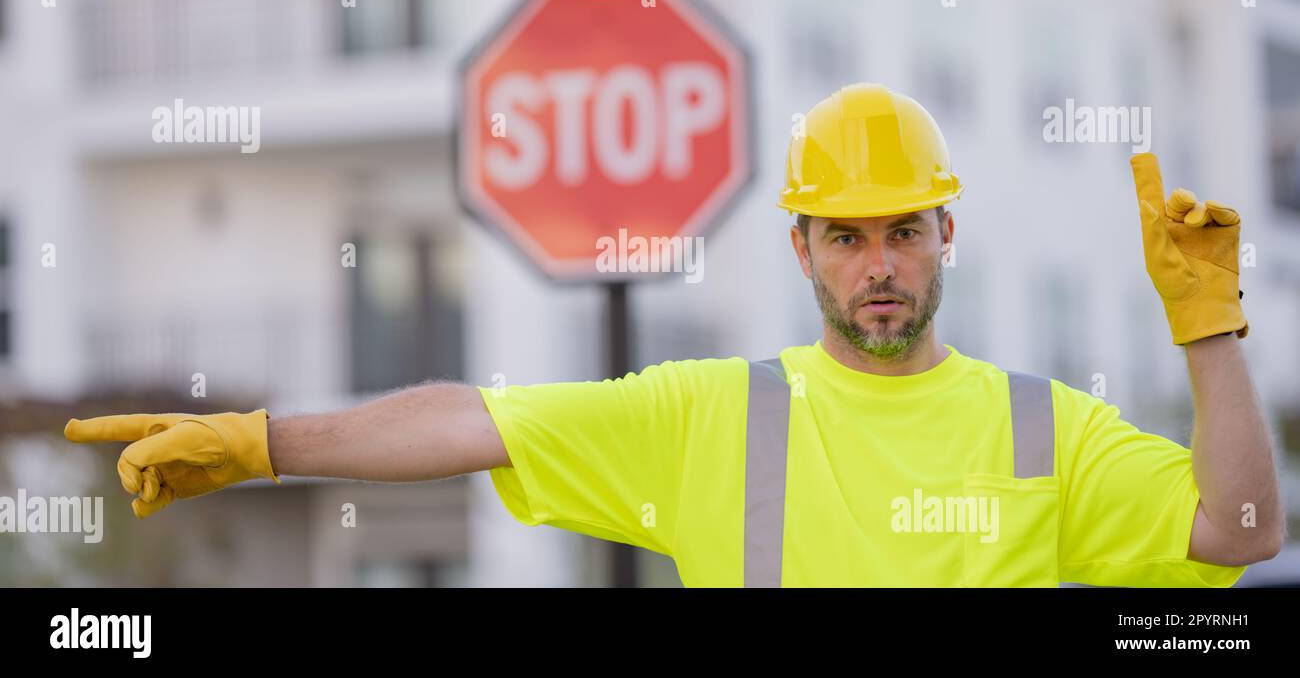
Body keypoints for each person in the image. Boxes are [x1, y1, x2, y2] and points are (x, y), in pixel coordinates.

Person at [64, 83, 1282, 587]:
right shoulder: (713, 414)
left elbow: (1238, 531)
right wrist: (264, 442)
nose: (878, 267)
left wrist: (1207, 328)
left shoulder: (1042, 426)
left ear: (943, 233)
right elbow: (475, 417)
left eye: (901, 232)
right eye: (845, 237)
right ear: (799, 249)